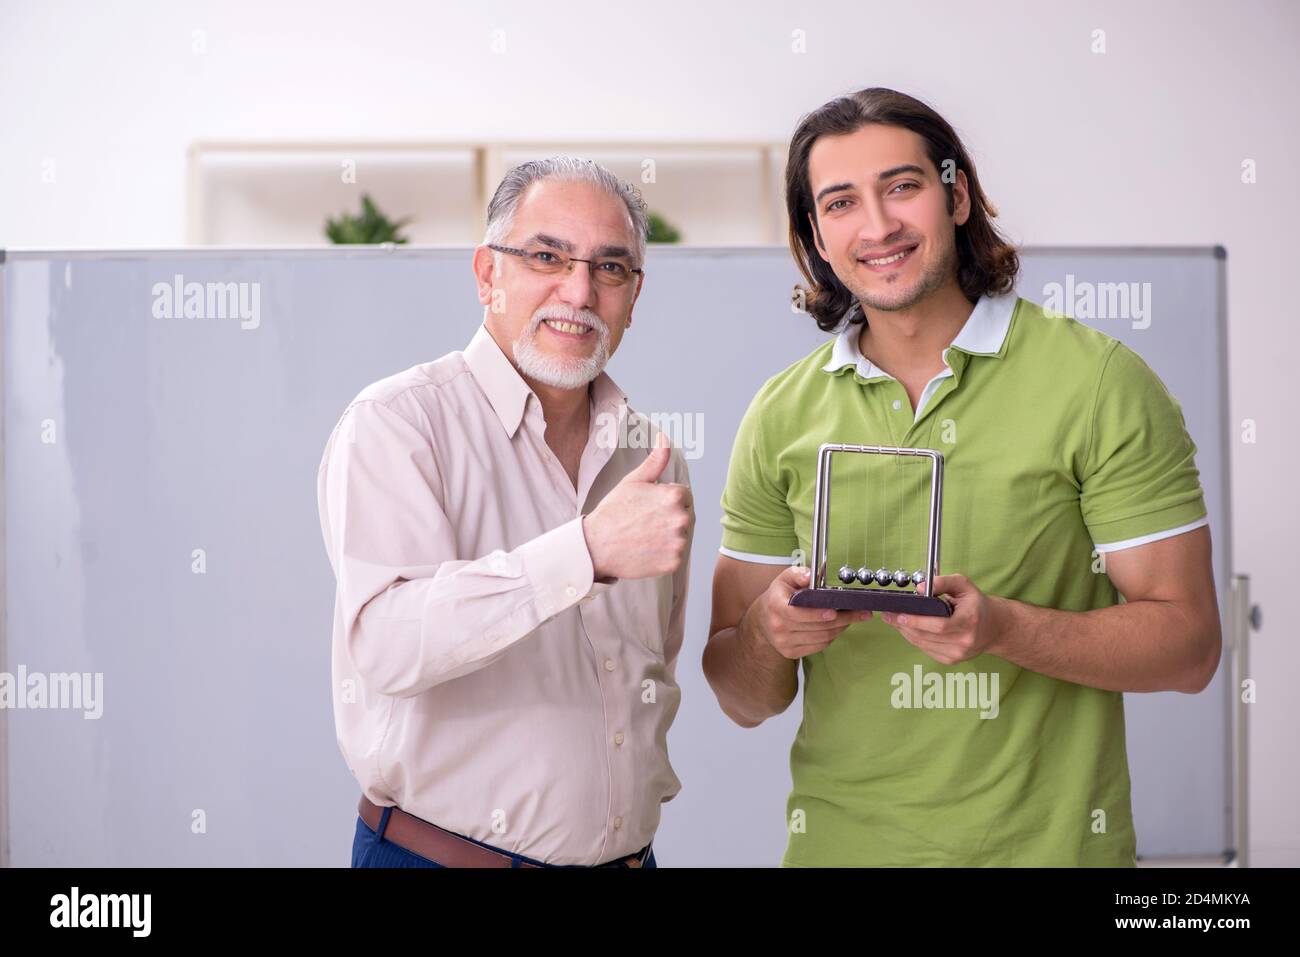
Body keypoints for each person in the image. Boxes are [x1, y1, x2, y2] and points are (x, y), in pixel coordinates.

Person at [703, 88, 1221, 866]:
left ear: (957, 194)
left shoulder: (1100, 382)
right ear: (815, 233)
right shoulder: (779, 414)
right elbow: (742, 695)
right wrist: (770, 636)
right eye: (841, 202)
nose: (877, 226)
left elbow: (1191, 646)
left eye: (902, 187)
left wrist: (1004, 629)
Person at [318, 157, 693, 868]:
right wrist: (581, 552)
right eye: (547, 256)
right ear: (488, 274)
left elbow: (653, 671)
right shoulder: (398, 423)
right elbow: (388, 645)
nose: (578, 291)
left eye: (610, 268)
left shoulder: (652, 456)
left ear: (633, 297)